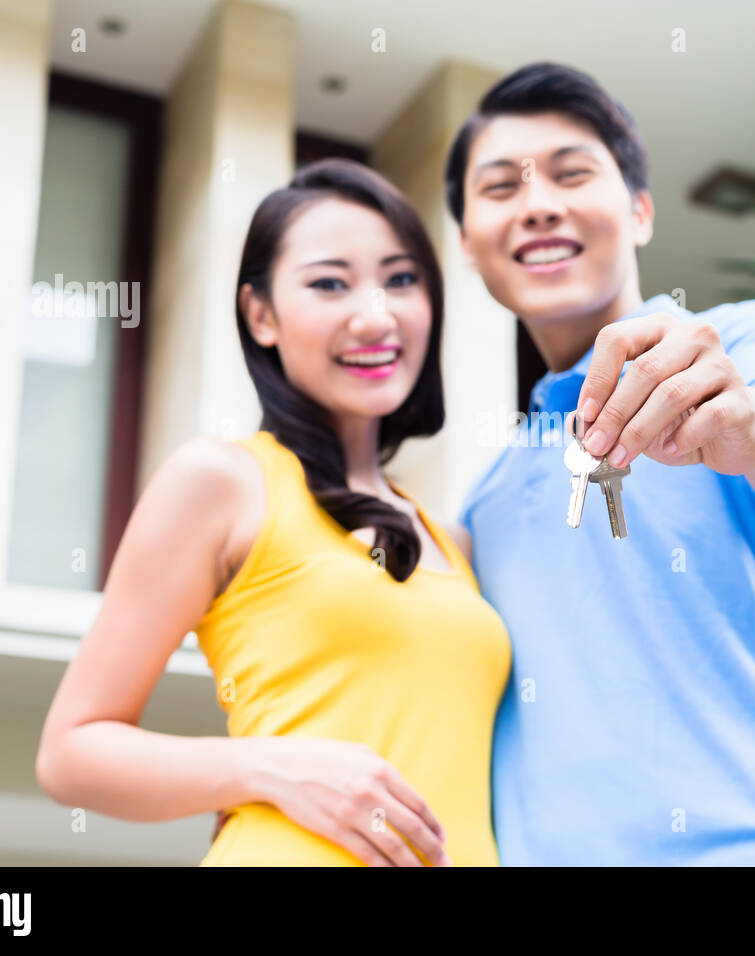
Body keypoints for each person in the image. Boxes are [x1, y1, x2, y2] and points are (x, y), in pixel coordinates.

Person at [445, 62, 755, 864]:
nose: (537, 204)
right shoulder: (484, 501)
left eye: (572, 174)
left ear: (639, 211)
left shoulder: (743, 346)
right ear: (467, 243)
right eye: (500, 189)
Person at [35, 159, 511, 866]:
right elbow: (71, 752)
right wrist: (269, 768)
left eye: (401, 279)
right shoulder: (223, 481)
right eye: (329, 283)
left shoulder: (456, 540)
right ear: (261, 314)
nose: (375, 314)